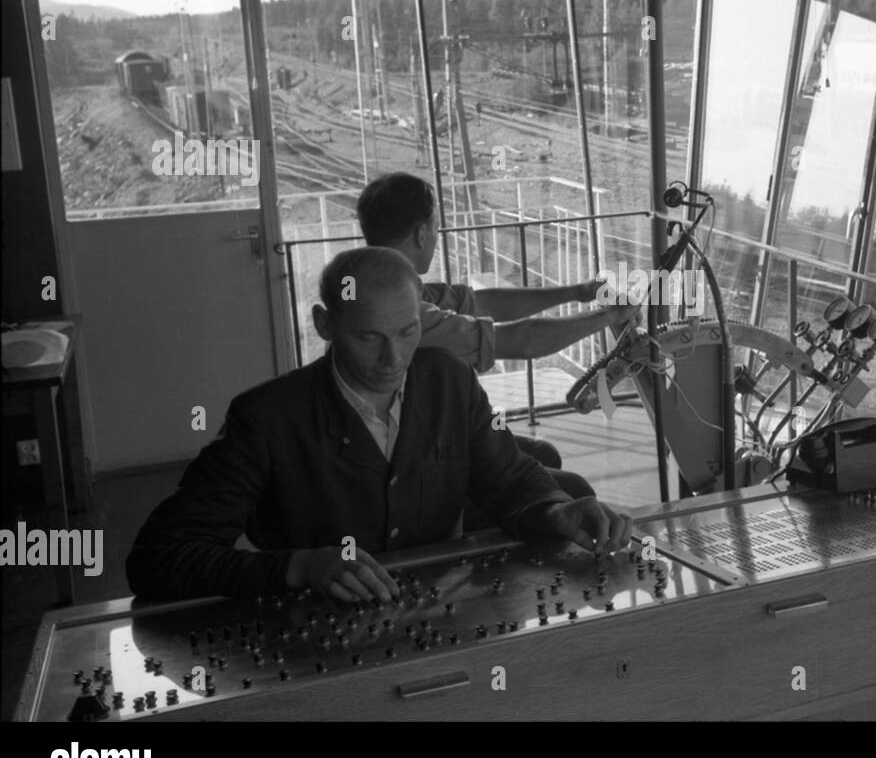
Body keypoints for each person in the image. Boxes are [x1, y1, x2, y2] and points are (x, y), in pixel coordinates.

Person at [126, 247, 632, 602]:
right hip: (318, 634)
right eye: (369, 338)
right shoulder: (267, 419)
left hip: (442, 616)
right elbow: (159, 557)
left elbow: (508, 476)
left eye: (409, 331)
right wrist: (298, 567)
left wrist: (554, 511)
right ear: (325, 325)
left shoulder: (449, 381)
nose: (394, 359)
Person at [355, 172, 635, 494]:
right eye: (435, 227)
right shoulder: (408, 312)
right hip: (417, 462)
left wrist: (577, 292)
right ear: (421, 234)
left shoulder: (393, 285)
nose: (436, 235)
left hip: (423, 438)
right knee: (575, 491)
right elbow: (519, 341)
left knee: (543, 454)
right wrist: (610, 316)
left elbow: (481, 302)